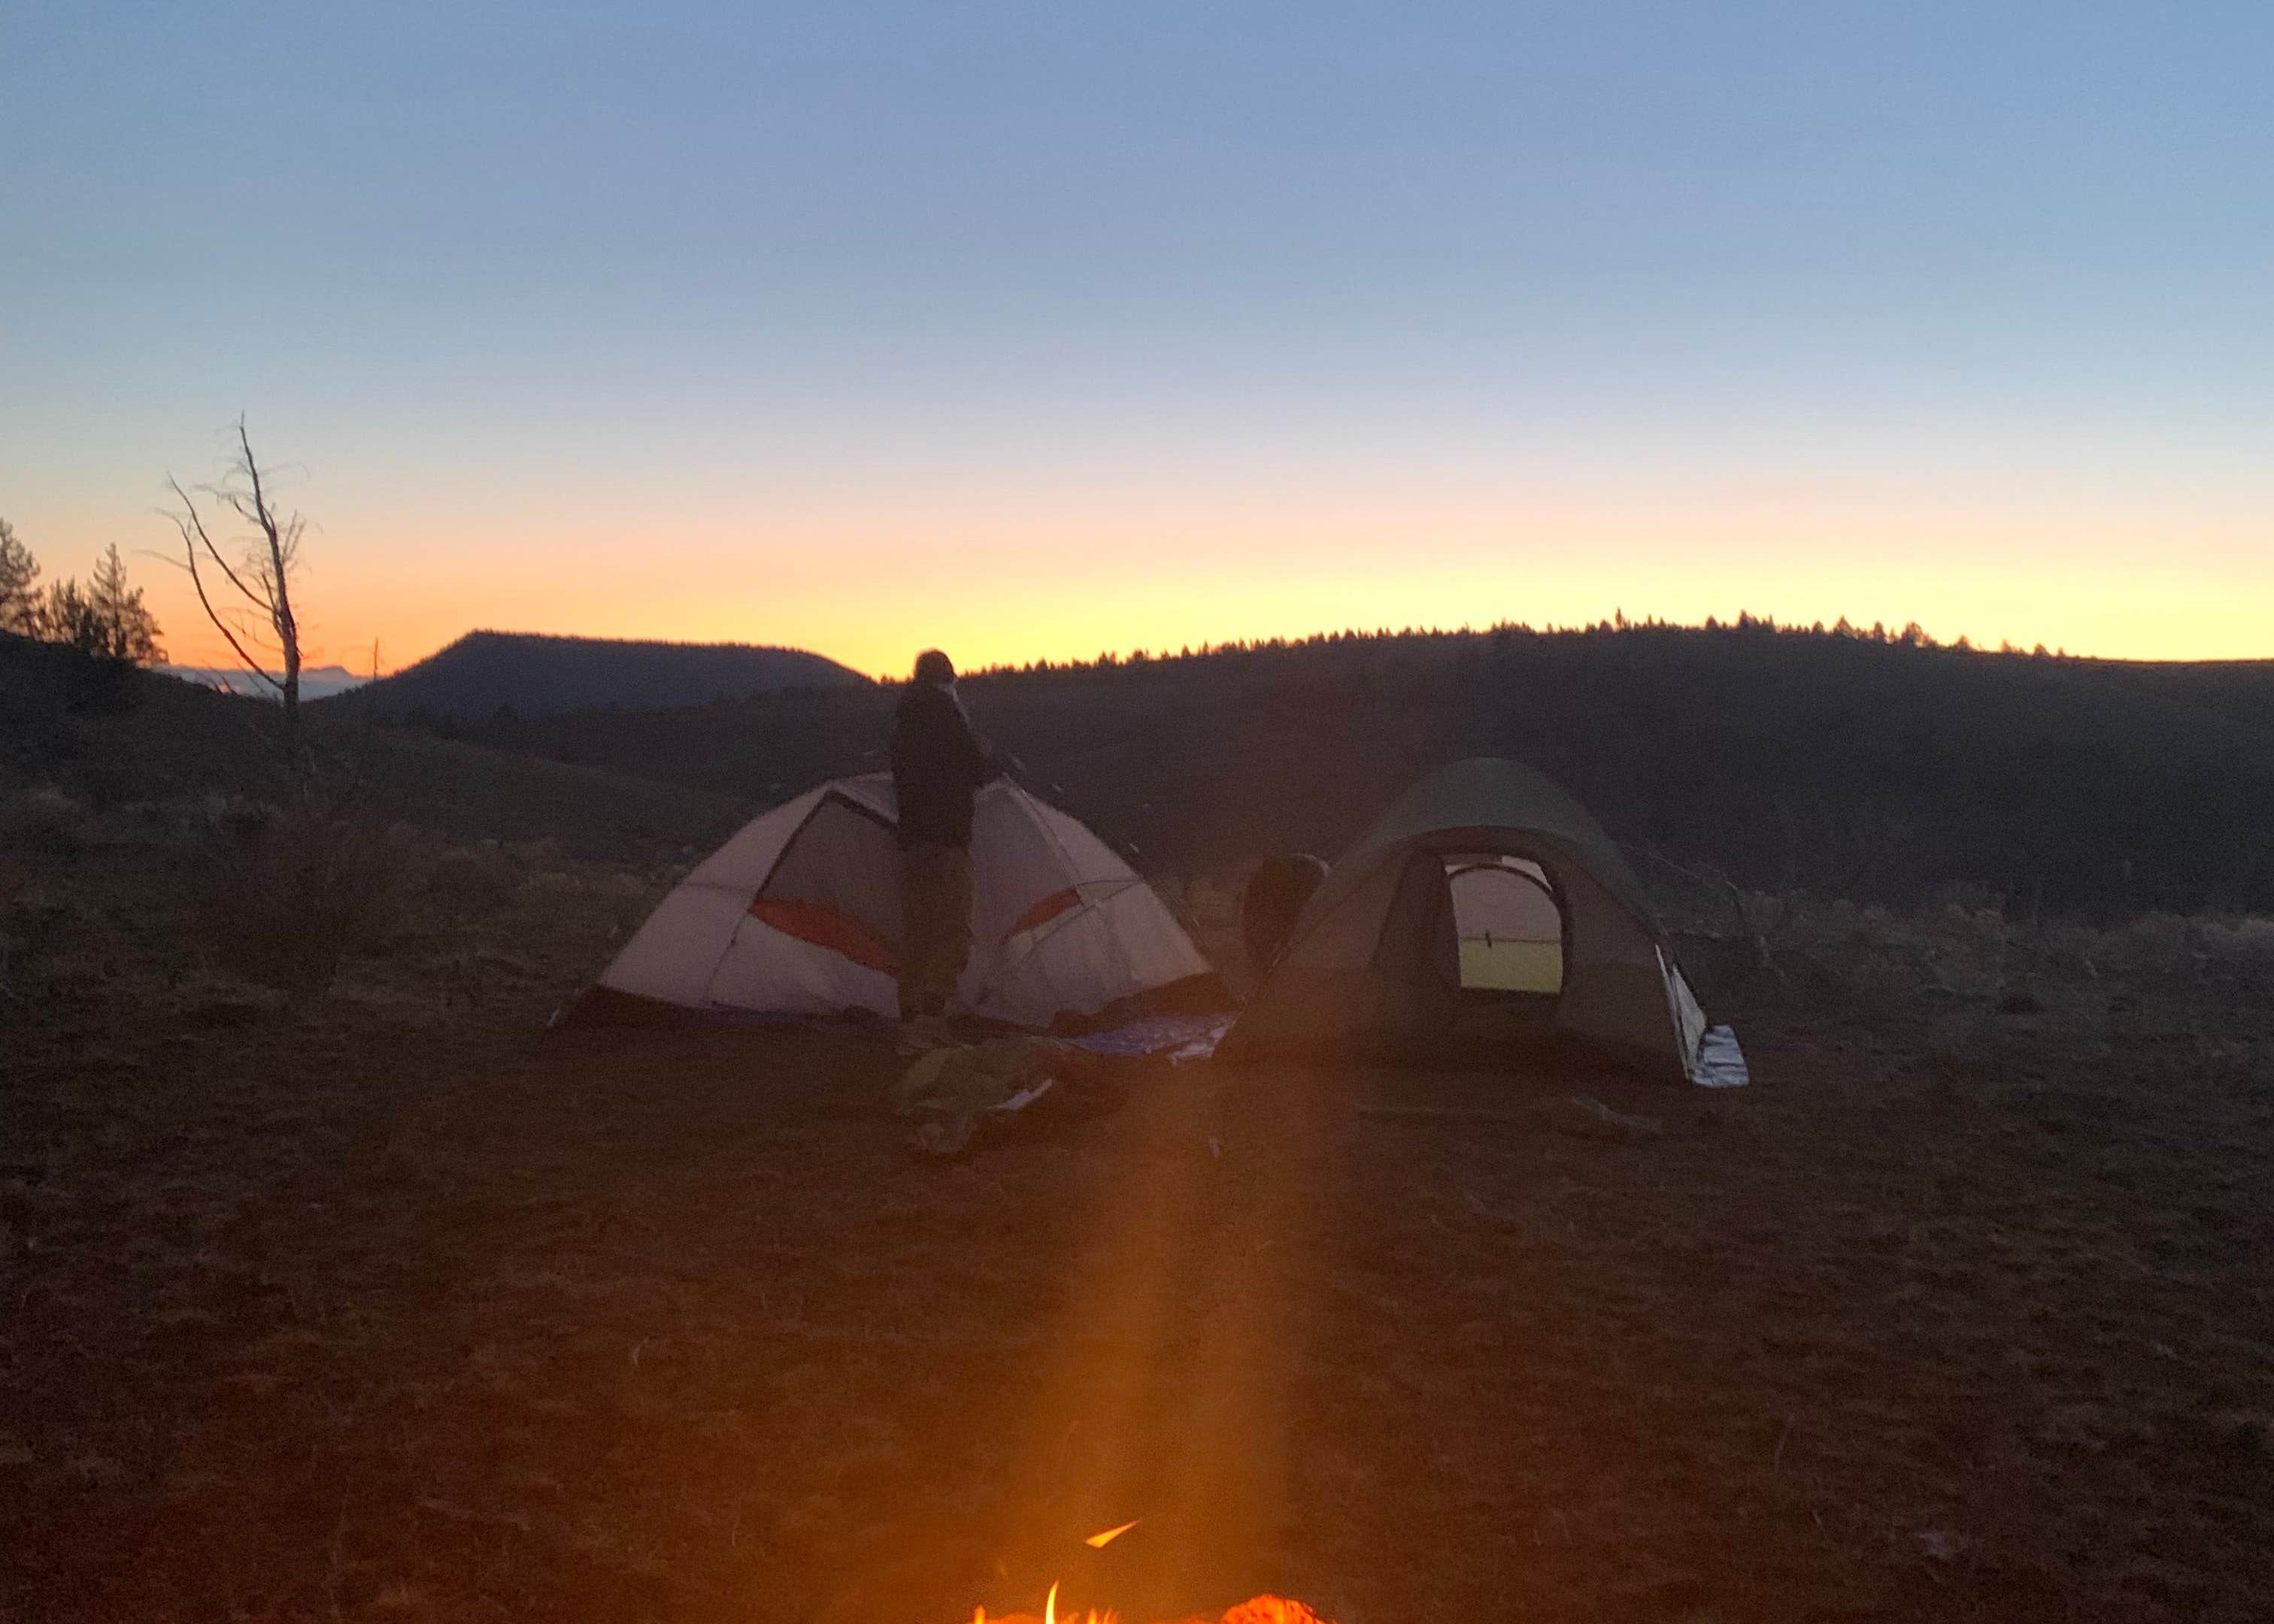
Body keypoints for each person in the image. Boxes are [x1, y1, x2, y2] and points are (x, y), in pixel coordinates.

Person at [890, 649, 1002, 1026]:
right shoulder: (948, 717)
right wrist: (987, 754)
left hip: (913, 839)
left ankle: (909, 1008)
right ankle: (934, 1010)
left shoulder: (904, 718)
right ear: (947, 680)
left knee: (918, 926)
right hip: (949, 838)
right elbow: (976, 768)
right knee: (954, 926)